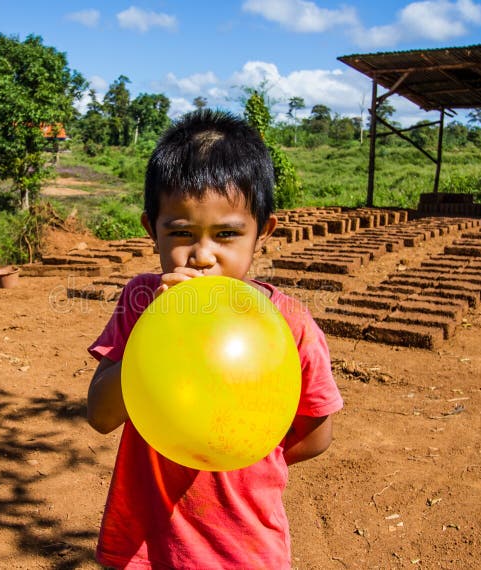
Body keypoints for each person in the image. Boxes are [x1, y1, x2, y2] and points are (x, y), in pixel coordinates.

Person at [86, 109, 343, 569]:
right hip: (145, 546)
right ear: (151, 231)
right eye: (181, 233)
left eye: (226, 234)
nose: (203, 255)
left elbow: (316, 434)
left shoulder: (289, 323)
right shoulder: (141, 302)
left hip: (243, 550)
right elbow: (101, 416)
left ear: (263, 232)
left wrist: (246, 452)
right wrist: (157, 333)